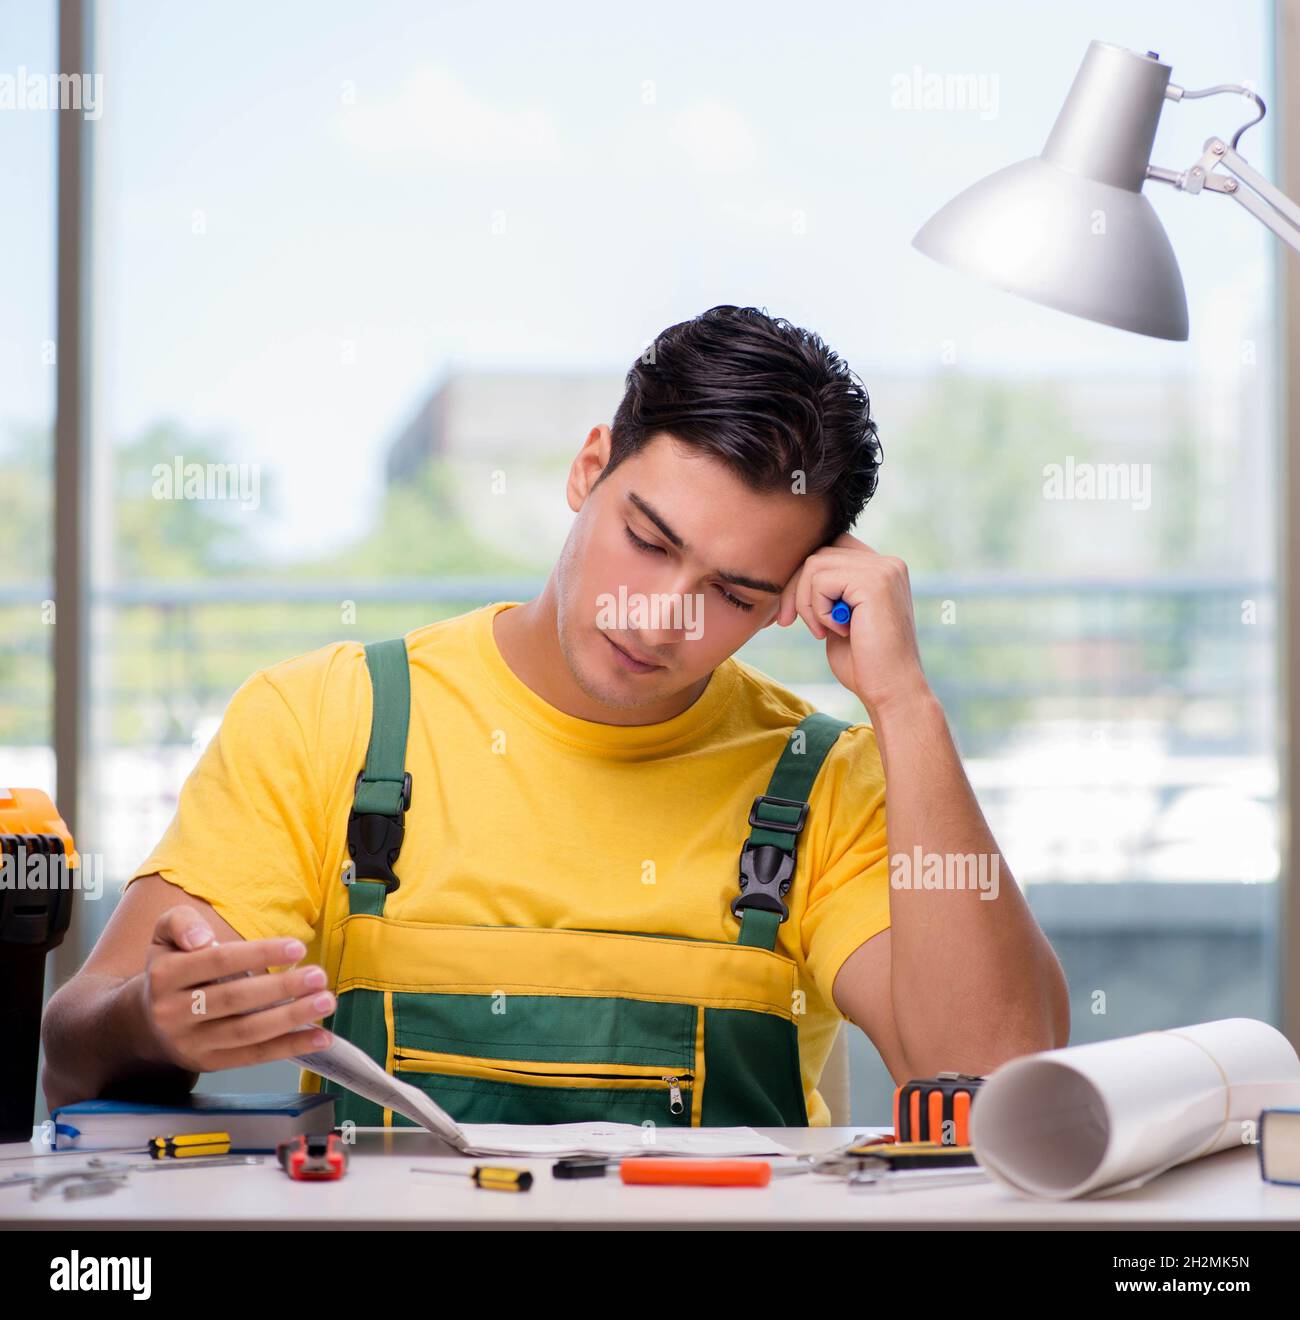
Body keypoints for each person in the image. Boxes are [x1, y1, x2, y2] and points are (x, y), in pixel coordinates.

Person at [42, 304, 1068, 1127]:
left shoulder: (824, 778)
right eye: (649, 539)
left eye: (734, 594)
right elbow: (72, 1046)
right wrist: (155, 1019)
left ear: (799, 599)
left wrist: (904, 703)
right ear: (588, 471)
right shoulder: (326, 722)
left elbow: (993, 1082)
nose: (659, 618)